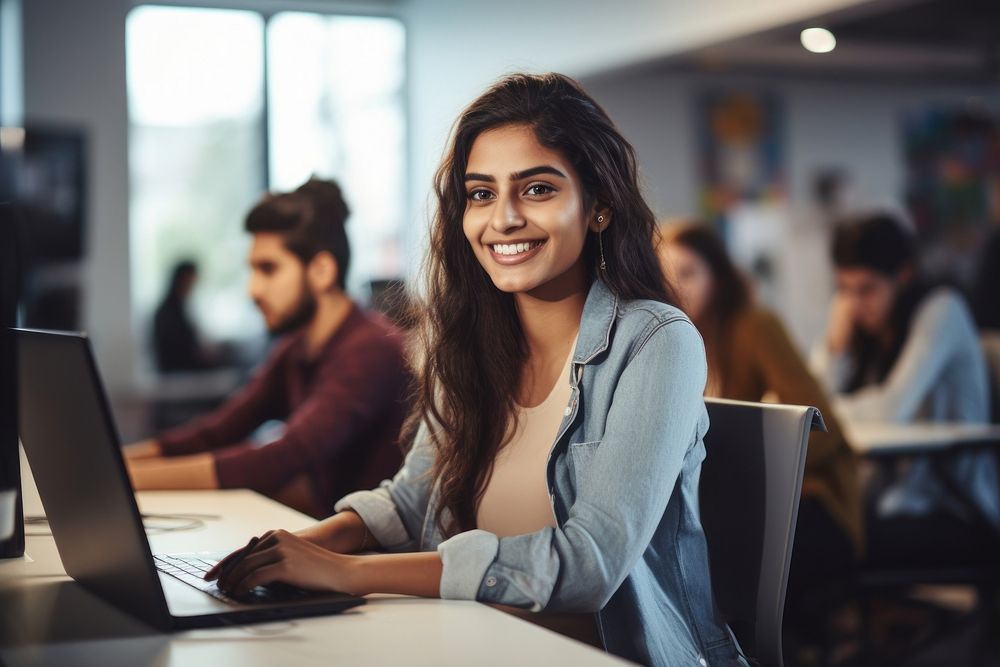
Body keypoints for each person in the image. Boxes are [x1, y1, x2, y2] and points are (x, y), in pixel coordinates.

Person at [202, 73, 747, 667]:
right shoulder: (467, 342)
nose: (503, 220)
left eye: (537, 189)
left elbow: (591, 564)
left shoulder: (657, 343)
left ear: (598, 206)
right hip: (468, 645)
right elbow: (412, 500)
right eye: (481, 194)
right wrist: (297, 549)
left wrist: (349, 573)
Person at [124, 178, 409, 519]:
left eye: (268, 269)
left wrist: (125, 478)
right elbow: (218, 432)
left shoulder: (370, 350)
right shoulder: (296, 349)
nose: (253, 290)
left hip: (374, 557)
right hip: (328, 539)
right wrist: (117, 460)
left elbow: (282, 457)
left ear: (321, 270)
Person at [657, 221, 862, 601]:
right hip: (738, 505)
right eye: (665, 275)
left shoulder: (753, 326)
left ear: (717, 276)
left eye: (687, 273)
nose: (675, 287)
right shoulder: (675, 340)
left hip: (809, 503)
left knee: (709, 554)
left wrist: (752, 464)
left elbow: (824, 426)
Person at [812, 212, 998, 559]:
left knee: (815, 532)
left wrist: (819, 415)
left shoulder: (942, 311)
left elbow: (889, 410)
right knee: (805, 519)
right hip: (889, 495)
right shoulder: (865, 332)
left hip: (949, 503)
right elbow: (811, 398)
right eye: (844, 290)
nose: (854, 304)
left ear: (904, 275)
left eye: (867, 289)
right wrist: (835, 347)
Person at [152, 259, 212, 373]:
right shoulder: (167, 312)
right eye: (192, 279)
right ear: (182, 279)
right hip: (177, 373)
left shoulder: (181, 307)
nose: (194, 283)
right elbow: (178, 350)